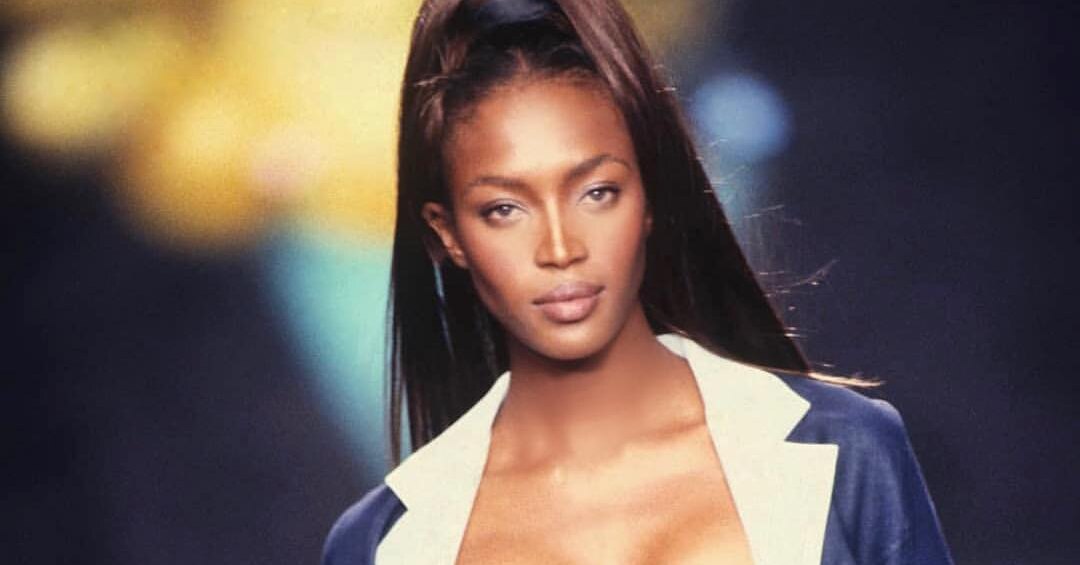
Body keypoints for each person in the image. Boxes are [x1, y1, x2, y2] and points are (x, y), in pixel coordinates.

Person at [322, 0, 953, 563]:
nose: (561, 249)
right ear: (447, 234)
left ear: (650, 194)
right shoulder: (385, 543)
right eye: (504, 209)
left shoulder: (848, 450)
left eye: (597, 192)